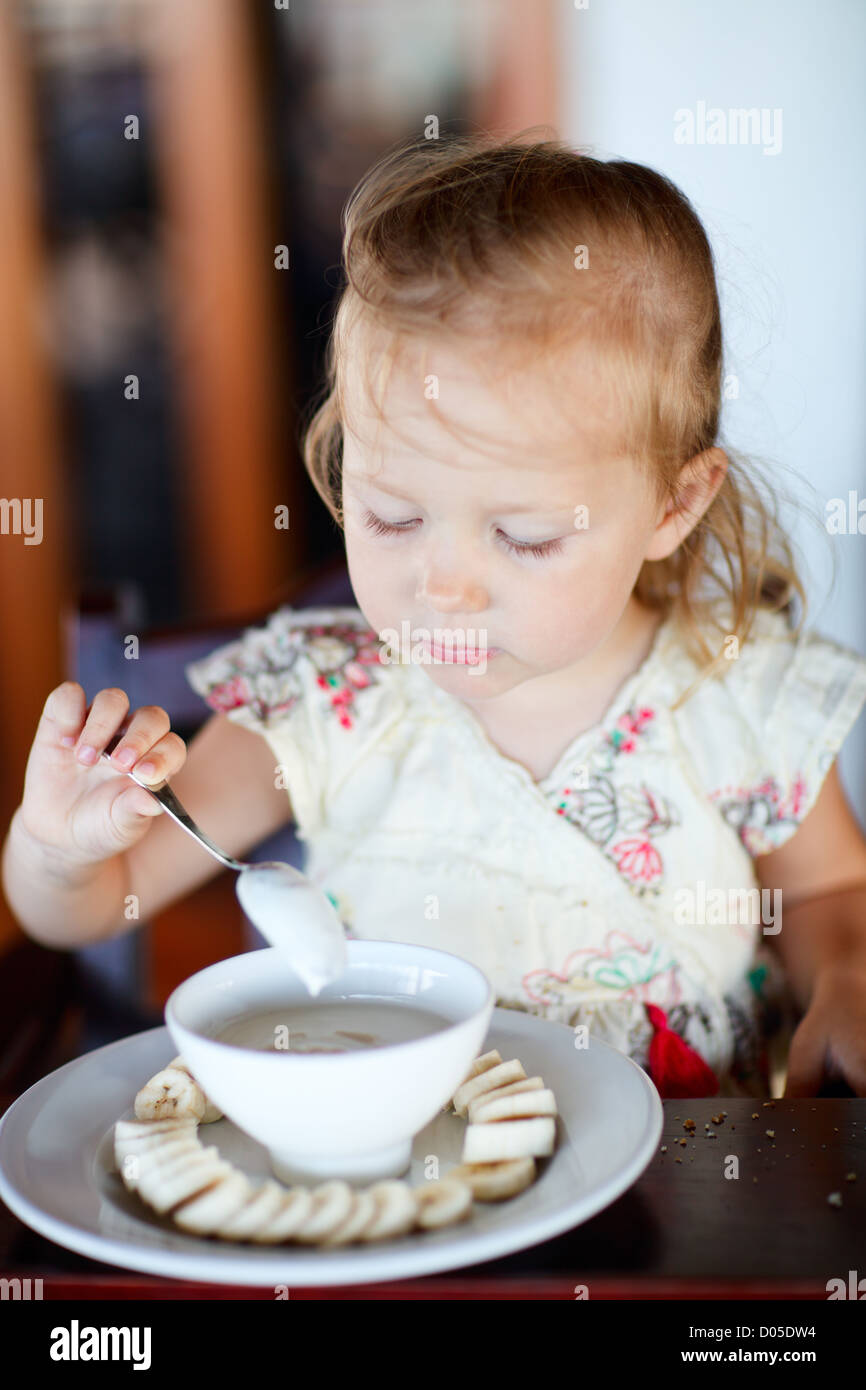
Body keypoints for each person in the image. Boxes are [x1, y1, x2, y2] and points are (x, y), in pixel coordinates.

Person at [6, 135, 866, 1100]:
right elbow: (95, 904)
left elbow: (829, 891)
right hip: (392, 1205)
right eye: (393, 516)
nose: (442, 588)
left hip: (684, 1207)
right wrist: (56, 848)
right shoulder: (323, 703)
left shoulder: (736, 692)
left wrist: (846, 980)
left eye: (528, 536)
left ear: (672, 506)